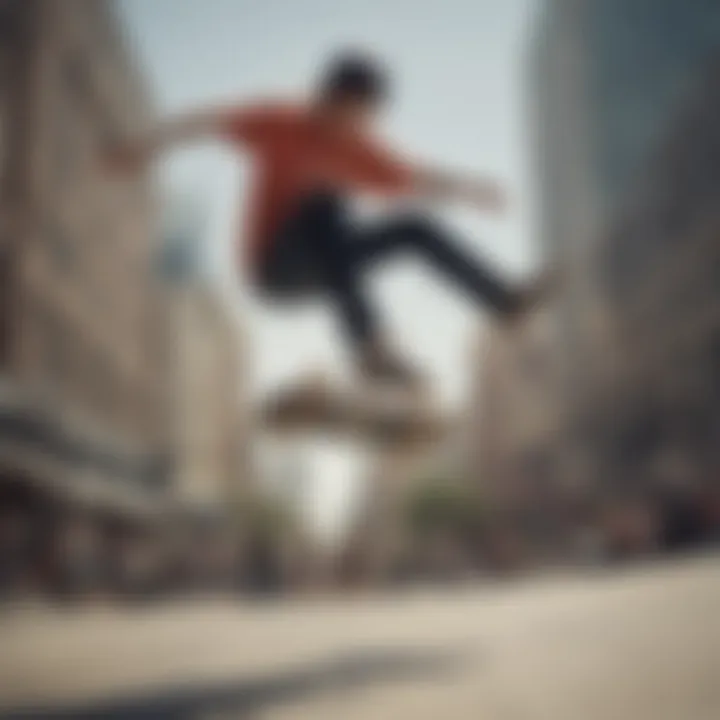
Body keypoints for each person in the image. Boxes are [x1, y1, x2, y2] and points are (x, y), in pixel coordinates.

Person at [108, 51, 551, 386]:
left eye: (366, 119)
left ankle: (504, 303)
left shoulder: (359, 149)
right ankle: (371, 347)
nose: (357, 129)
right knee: (325, 202)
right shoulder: (278, 121)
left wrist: (472, 188)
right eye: (352, 115)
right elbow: (204, 122)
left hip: (325, 273)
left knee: (416, 229)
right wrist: (141, 148)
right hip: (274, 270)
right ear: (328, 99)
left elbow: (415, 178)